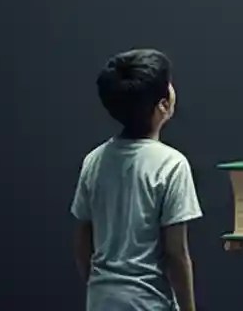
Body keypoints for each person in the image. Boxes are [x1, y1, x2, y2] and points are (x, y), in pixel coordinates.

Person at [71, 49, 202, 310]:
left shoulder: (94, 161)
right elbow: (176, 255)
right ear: (163, 106)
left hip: (100, 299)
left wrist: (100, 288)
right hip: (148, 302)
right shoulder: (172, 165)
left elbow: (83, 242)